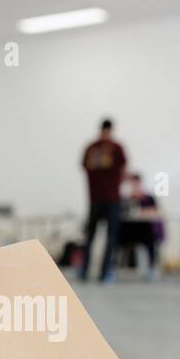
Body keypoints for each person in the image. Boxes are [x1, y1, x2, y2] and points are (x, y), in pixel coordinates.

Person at [80, 119, 127, 283]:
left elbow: (123, 168)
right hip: (95, 199)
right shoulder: (91, 148)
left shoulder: (117, 148)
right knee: (90, 236)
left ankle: (105, 272)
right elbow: (85, 166)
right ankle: (84, 271)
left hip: (113, 199)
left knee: (111, 237)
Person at [121, 171, 163, 279]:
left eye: (136, 184)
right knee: (115, 239)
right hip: (128, 232)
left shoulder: (149, 198)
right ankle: (113, 267)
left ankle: (151, 268)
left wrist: (141, 212)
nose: (134, 187)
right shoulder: (126, 199)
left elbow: (156, 212)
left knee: (151, 241)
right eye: (132, 184)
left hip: (145, 232)